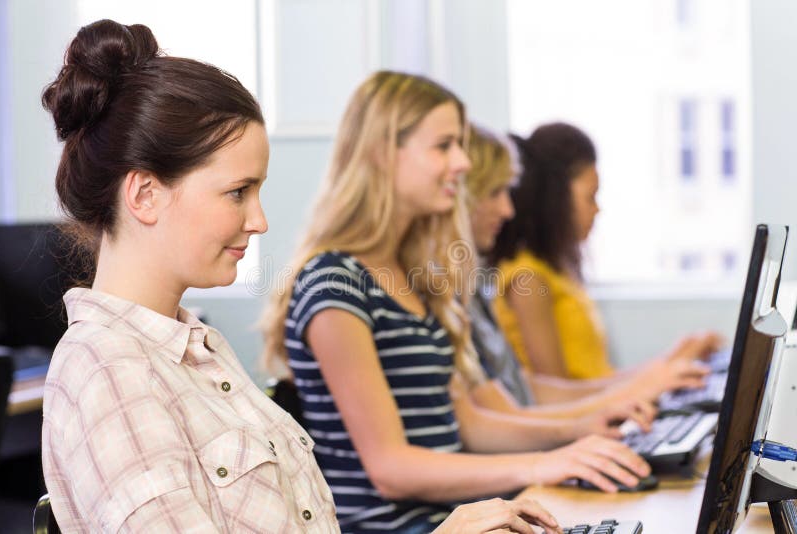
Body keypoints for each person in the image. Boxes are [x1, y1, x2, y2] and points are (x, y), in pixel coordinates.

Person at [39, 19, 562, 534]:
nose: (259, 220)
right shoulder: (108, 372)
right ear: (145, 195)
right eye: (237, 192)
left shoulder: (196, 351)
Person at [264, 71, 651, 534]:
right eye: (444, 145)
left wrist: (579, 433)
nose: (463, 162)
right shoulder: (335, 283)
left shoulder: (415, 278)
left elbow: (467, 425)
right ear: (384, 153)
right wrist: (539, 464)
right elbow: (390, 468)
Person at [464, 123, 719, 413]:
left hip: (594, 411)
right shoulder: (528, 277)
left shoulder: (559, 272)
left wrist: (665, 369)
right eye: (590, 197)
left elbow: (583, 382)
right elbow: (552, 392)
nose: (597, 209)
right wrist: (657, 373)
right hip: (580, 418)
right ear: (557, 199)